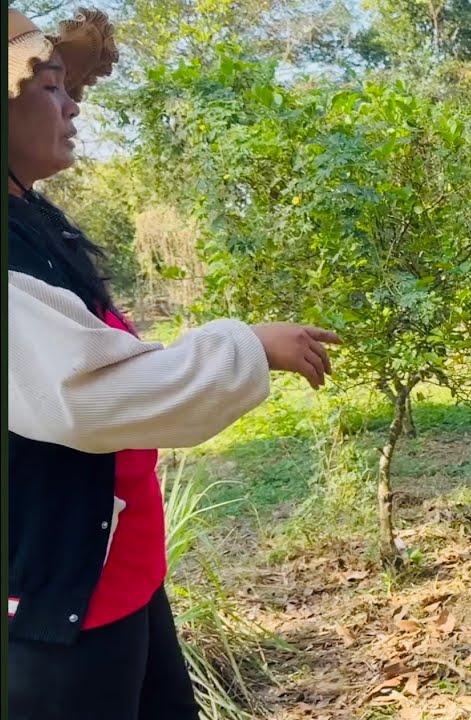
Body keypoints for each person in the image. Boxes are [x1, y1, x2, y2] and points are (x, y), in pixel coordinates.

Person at [6, 9, 340, 719]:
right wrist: (247, 346)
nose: (72, 108)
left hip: (114, 576)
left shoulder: (34, 224)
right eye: (52, 89)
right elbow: (86, 397)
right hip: (58, 597)